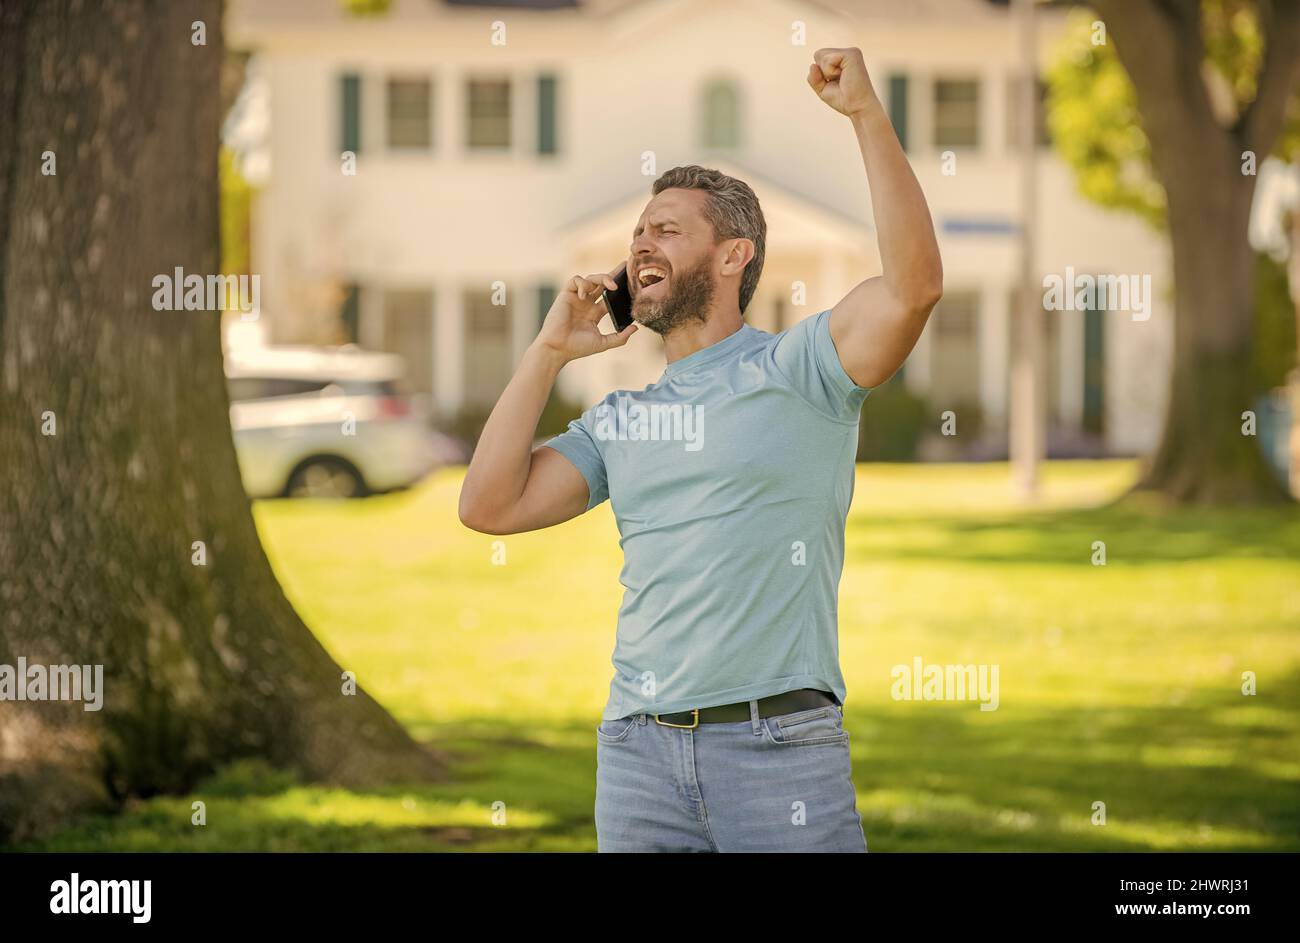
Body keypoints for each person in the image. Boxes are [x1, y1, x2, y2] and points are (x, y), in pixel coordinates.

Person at [459, 47, 942, 852]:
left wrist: (866, 114)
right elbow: (487, 505)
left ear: (733, 255)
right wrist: (546, 352)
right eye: (638, 233)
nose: (641, 245)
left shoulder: (800, 369)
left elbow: (914, 286)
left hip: (779, 754)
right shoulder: (621, 420)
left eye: (667, 230)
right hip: (638, 758)